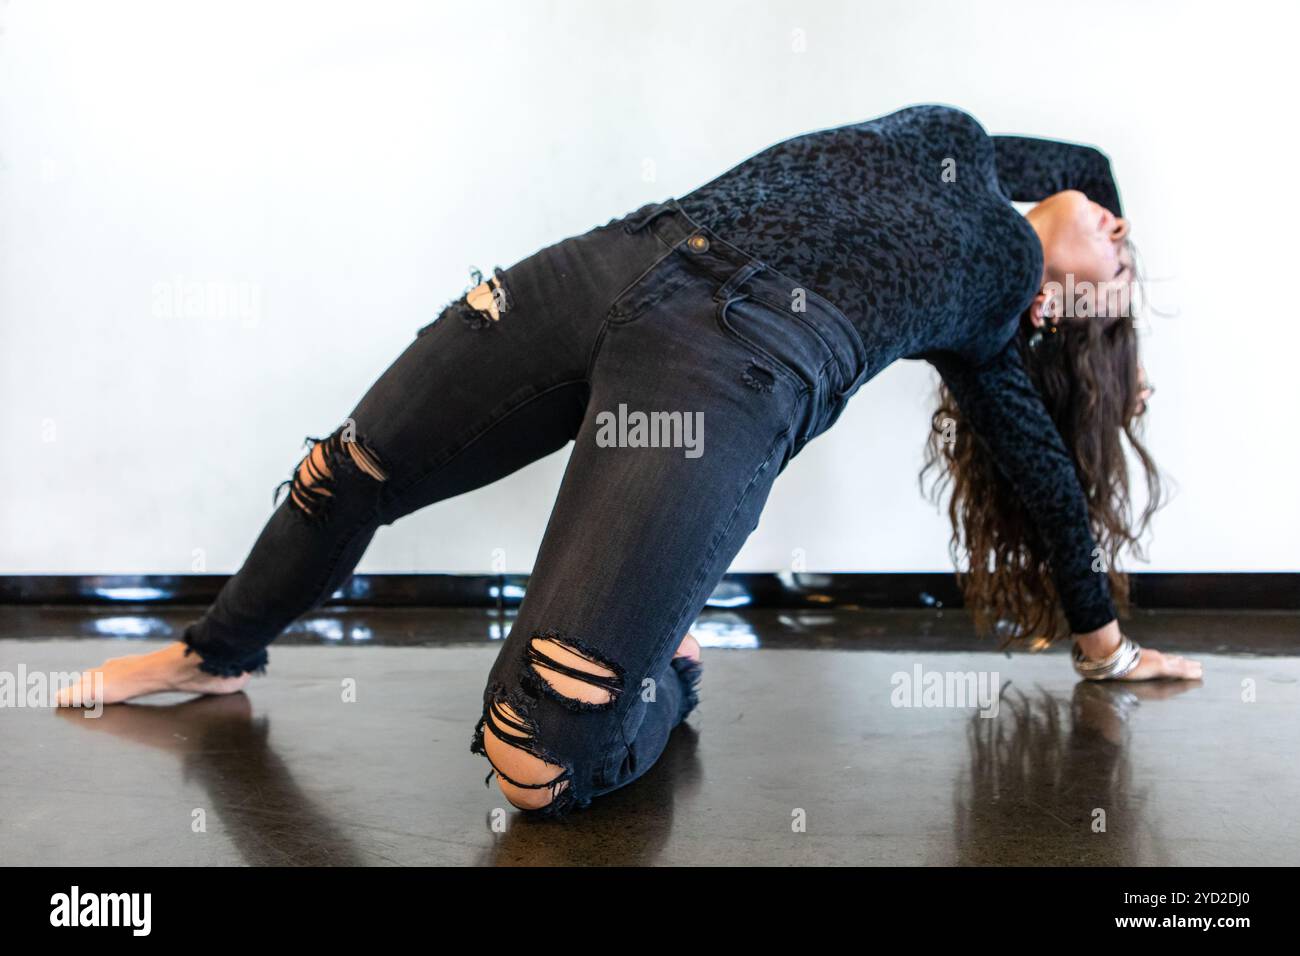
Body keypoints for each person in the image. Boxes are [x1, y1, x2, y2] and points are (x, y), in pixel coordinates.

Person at [57, 104, 1201, 819]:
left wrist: (1103, 647)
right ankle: (215, 649)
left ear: (1056, 314)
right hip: (627, 255)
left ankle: (665, 671)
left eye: (1121, 260)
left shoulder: (998, 313)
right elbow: (1087, 165)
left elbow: (1047, 483)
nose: (1118, 230)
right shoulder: (958, 144)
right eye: (1119, 226)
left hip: (738, 361)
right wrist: (1108, 238)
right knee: (345, 467)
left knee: (532, 760)